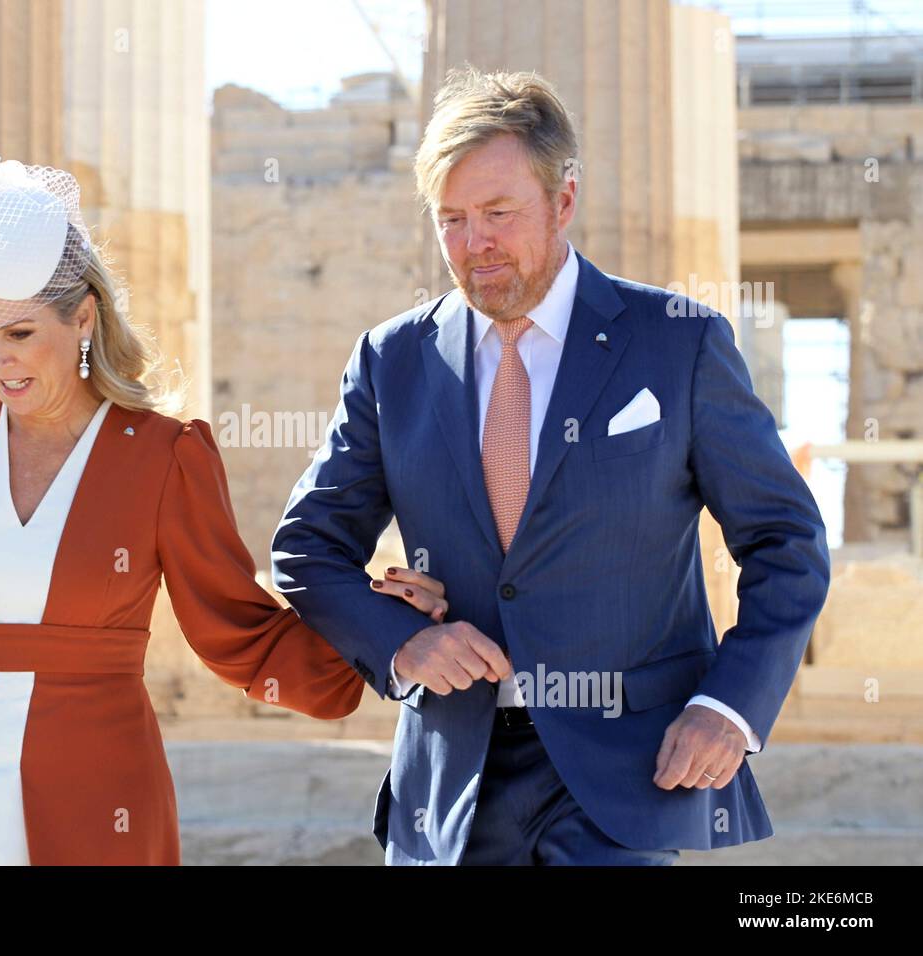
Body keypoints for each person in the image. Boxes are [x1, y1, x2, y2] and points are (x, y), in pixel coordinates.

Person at [0, 156, 448, 865]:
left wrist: (380, 631)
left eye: (19, 333)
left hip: (102, 800)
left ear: (82, 319)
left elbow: (238, 634)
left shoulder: (165, 456)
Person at [270, 69, 832, 865]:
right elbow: (306, 546)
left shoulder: (678, 342)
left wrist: (730, 707)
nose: (475, 245)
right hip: (451, 786)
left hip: (629, 778)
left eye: (499, 214)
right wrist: (403, 642)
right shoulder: (392, 359)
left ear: (564, 201)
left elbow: (787, 540)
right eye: (453, 220)